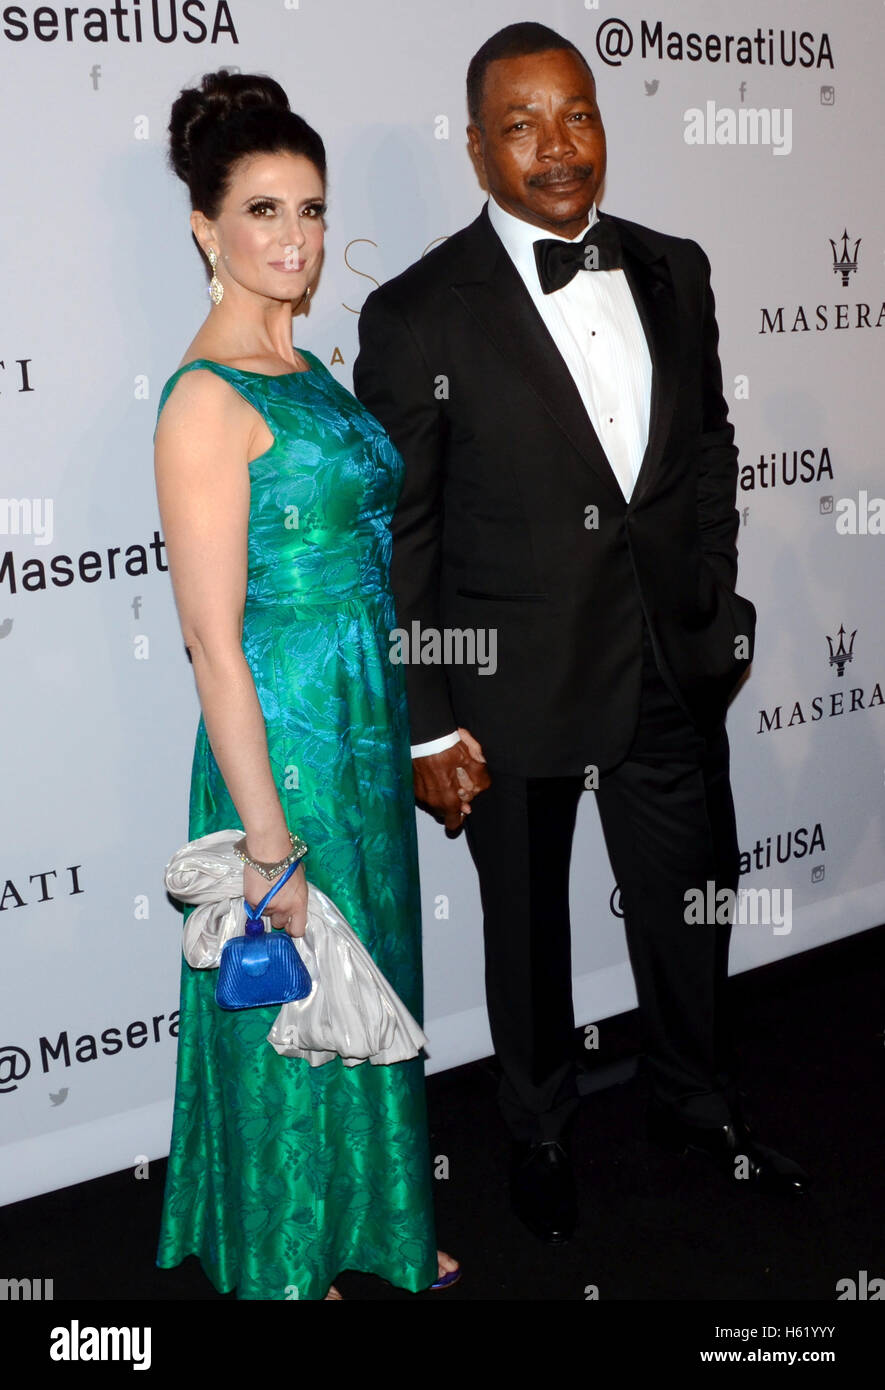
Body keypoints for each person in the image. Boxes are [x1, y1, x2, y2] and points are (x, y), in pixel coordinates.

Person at [353, 23, 810, 1245]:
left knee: (689, 900)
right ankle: (540, 1128)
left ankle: (693, 1101)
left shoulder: (675, 266)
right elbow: (403, 537)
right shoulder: (415, 315)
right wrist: (429, 718)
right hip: (508, 687)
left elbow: (707, 445)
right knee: (528, 928)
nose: (558, 148)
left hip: (670, 659)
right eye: (522, 124)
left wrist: (711, 598)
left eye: (579, 116)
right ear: (475, 146)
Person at [152, 69, 459, 1299]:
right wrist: (266, 843)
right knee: (290, 978)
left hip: (360, 717)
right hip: (276, 730)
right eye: (265, 211)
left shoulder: (309, 360)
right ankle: (287, 1254)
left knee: (367, 966)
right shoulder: (202, 402)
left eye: (313, 210)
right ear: (205, 229)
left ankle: (375, 1223)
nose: (295, 238)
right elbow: (212, 640)